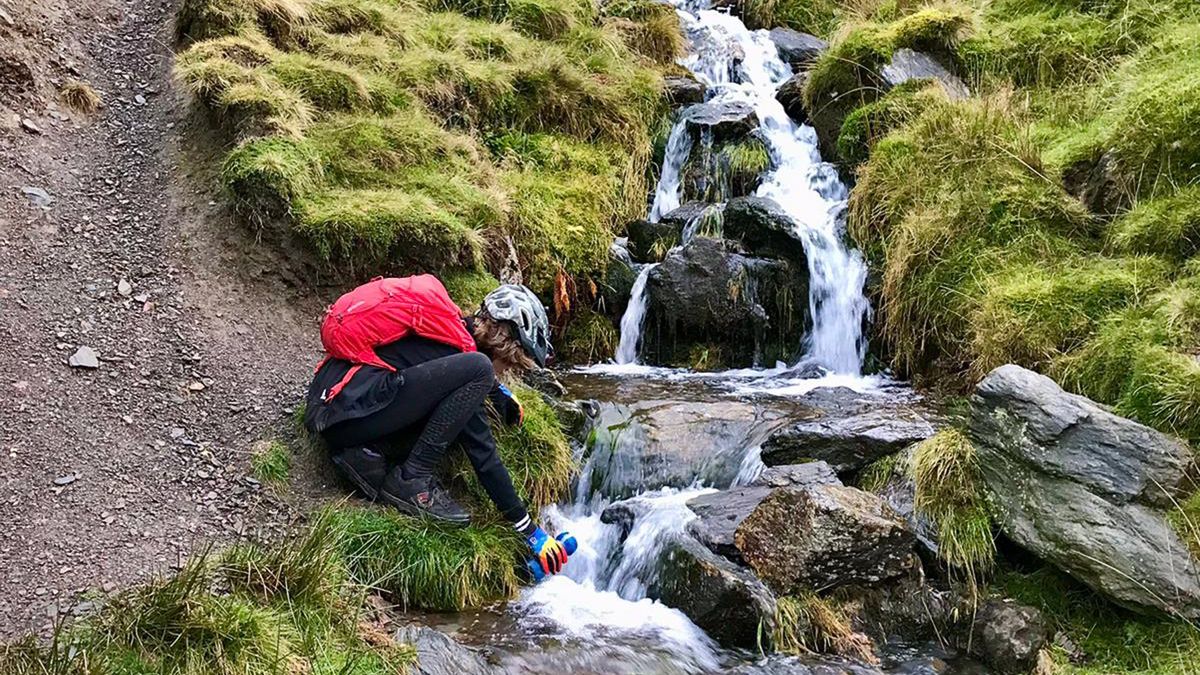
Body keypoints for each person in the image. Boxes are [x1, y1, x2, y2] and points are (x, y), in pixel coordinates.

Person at [303, 276, 569, 577]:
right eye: (511, 364)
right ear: (504, 343)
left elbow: (434, 373)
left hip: (336, 406)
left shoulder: (449, 331)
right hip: (344, 414)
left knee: (458, 409)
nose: (507, 371)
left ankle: (364, 455)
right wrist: (529, 530)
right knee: (478, 374)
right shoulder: (470, 361)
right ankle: (411, 480)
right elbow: (482, 452)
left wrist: (499, 395)